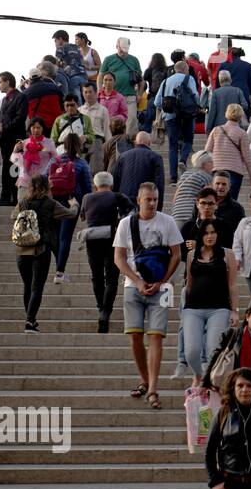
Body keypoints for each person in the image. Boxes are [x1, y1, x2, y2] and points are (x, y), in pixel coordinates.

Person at [113, 182, 183, 410]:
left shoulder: (167, 221)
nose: (152, 203)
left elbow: (176, 254)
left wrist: (164, 280)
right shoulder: (126, 223)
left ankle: (152, 388)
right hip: (133, 285)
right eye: (148, 199)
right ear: (139, 200)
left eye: (155, 199)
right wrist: (137, 281)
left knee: (156, 336)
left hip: (161, 286)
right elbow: (119, 258)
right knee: (134, 335)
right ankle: (145, 379)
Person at [12, 173, 77, 333]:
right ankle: (30, 321)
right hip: (40, 250)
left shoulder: (23, 202)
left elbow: (13, 216)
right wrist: (74, 204)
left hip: (22, 250)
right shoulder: (50, 203)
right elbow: (71, 214)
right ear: (46, 187)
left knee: (27, 286)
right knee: (37, 287)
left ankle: (31, 320)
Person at [181, 218, 240, 388]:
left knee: (213, 348)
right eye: (206, 233)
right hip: (193, 308)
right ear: (201, 235)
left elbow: (232, 284)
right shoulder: (192, 255)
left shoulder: (228, 254)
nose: (210, 236)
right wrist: (184, 306)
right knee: (191, 351)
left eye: (213, 232)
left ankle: (208, 382)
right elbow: (189, 283)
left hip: (219, 308)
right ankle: (198, 375)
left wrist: (234, 310)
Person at [79, 171, 133, 332]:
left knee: (96, 276)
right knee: (111, 278)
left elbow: (83, 216)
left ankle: (100, 307)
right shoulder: (117, 196)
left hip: (92, 239)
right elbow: (131, 212)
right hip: (113, 239)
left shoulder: (87, 198)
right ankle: (105, 312)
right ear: (111, 184)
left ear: (95, 185)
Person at [50, 134, 93, 286]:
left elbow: (45, 178)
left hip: (54, 202)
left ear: (65, 145)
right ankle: (60, 272)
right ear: (78, 146)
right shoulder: (82, 163)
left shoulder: (55, 160)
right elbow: (87, 188)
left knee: (57, 237)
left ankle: (59, 268)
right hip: (72, 202)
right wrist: (85, 208)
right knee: (65, 237)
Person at [156, 59, 200, 181]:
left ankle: (173, 177)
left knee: (172, 146)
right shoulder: (189, 79)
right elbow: (195, 96)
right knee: (188, 140)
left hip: (169, 116)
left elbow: (157, 102)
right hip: (186, 115)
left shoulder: (165, 81)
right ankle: (183, 160)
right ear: (185, 69)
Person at [205, 103, 251, 197]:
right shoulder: (242, 134)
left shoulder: (216, 130)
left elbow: (207, 152)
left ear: (227, 114)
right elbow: (247, 158)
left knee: (215, 200)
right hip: (235, 172)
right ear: (241, 116)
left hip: (216, 170)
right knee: (230, 201)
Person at [0, 72, 28, 206]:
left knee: (14, 169)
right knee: (6, 169)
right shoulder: (5, 99)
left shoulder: (20, 97)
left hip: (16, 140)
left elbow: (20, 118)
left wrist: (4, 128)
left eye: (0, 82)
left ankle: (14, 198)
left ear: (8, 82)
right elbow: (0, 116)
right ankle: (5, 198)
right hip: (5, 141)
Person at [99, 38, 142, 134]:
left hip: (129, 95)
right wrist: (99, 92)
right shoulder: (109, 59)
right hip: (112, 96)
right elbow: (100, 76)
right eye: (121, 48)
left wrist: (139, 94)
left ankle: (128, 140)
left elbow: (141, 80)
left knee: (131, 119)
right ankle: (112, 139)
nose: (123, 51)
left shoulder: (134, 60)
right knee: (112, 120)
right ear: (116, 46)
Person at [11, 118, 58, 196]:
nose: (36, 130)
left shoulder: (49, 142)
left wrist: (46, 150)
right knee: (23, 203)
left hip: (42, 182)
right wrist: (15, 151)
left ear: (43, 128)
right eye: (33, 127)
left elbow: (56, 160)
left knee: (43, 203)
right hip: (25, 181)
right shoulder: (24, 143)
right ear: (30, 128)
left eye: (38, 127)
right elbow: (16, 162)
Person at [112, 131, 165, 201]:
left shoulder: (122, 157)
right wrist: (158, 203)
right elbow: (159, 183)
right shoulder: (156, 157)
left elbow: (116, 181)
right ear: (149, 143)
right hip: (145, 200)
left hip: (125, 199)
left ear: (135, 142)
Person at [171, 151, 213, 227]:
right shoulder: (206, 177)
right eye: (211, 162)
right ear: (204, 163)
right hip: (192, 213)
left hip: (177, 213)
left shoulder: (185, 175)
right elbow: (210, 196)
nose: (213, 165)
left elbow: (176, 196)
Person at [79, 83, 111, 174]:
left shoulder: (103, 110)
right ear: (82, 94)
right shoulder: (79, 110)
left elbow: (107, 130)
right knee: (80, 171)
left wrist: (108, 148)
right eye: (85, 92)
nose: (88, 94)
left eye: (90, 92)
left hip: (97, 141)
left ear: (96, 93)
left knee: (96, 171)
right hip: (82, 142)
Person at [22, 64, 65, 131]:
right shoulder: (53, 87)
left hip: (40, 128)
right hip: (57, 124)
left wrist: (23, 88)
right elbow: (62, 104)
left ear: (30, 79)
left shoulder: (25, 93)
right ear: (41, 77)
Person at [209, 171, 246, 249]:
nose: (220, 187)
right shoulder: (203, 204)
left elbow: (242, 232)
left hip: (227, 250)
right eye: (217, 183)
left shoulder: (237, 208)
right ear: (212, 185)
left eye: (224, 184)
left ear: (229, 186)